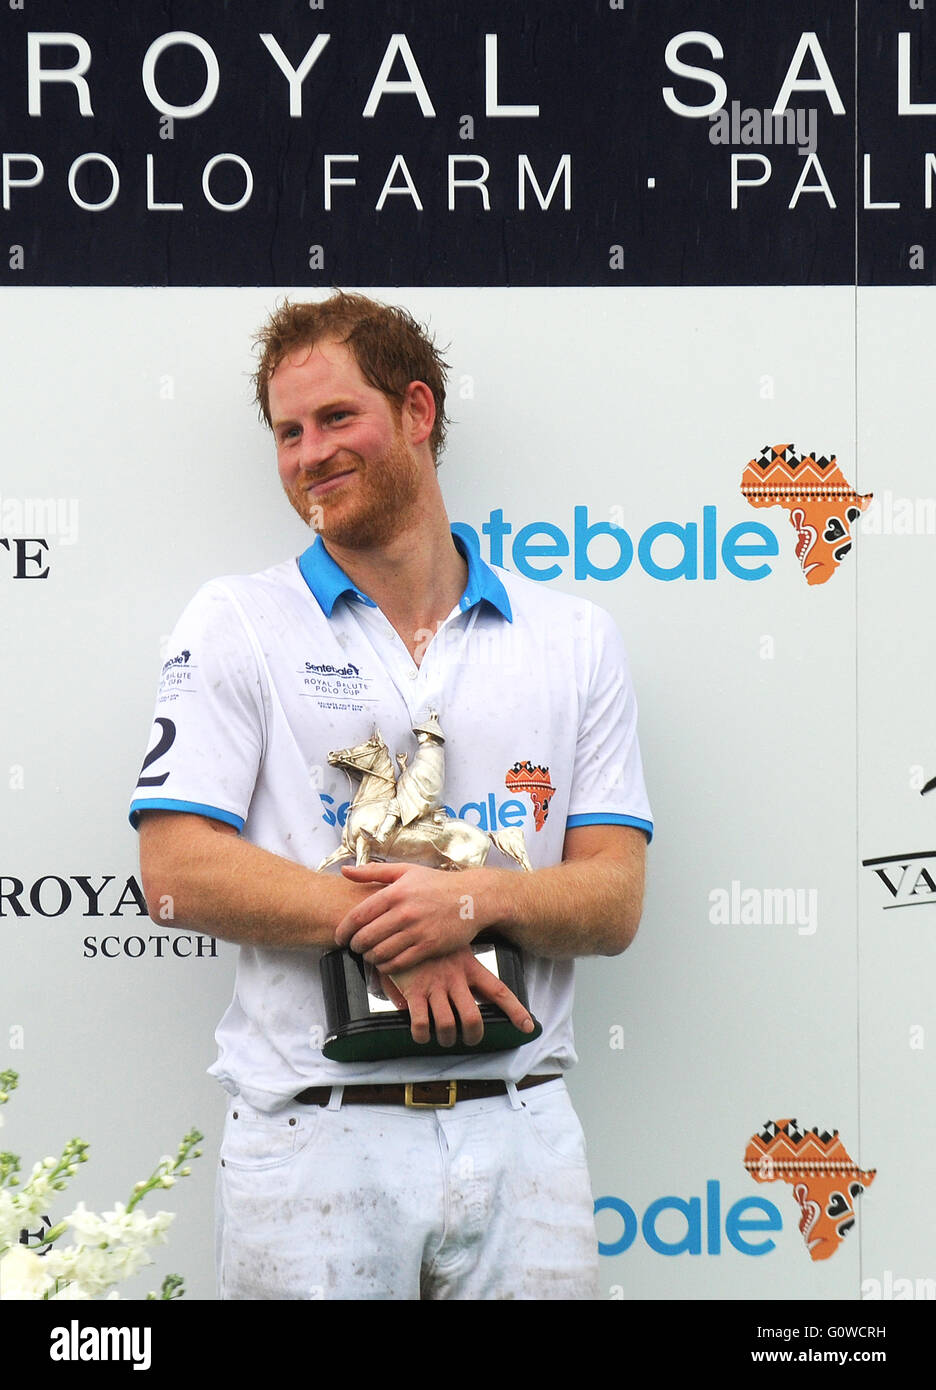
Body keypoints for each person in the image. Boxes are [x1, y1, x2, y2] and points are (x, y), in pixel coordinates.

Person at [131, 291, 653, 1301]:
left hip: (523, 1132)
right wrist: (392, 925)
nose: (307, 454)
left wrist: (469, 903)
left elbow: (614, 899)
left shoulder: (573, 637)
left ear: (417, 411)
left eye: (336, 418)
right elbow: (174, 872)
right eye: (286, 432)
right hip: (315, 1141)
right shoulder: (238, 619)